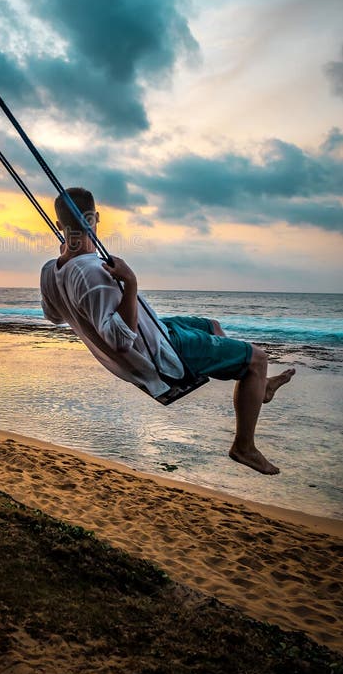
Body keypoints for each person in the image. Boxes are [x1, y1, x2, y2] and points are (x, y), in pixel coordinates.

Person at [40, 188, 295, 475]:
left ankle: (258, 387)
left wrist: (65, 266)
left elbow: (53, 316)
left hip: (158, 329)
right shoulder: (94, 273)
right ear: (96, 218)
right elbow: (122, 340)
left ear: (59, 226)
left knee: (211, 326)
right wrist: (131, 282)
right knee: (257, 359)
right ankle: (244, 446)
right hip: (163, 352)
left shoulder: (50, 270)